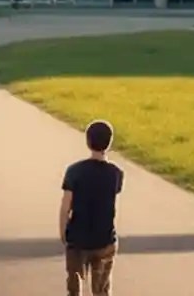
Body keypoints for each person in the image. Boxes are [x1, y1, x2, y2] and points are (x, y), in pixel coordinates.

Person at [60, 120, 123, 296]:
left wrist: (63, 232)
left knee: (74, 286)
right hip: (105, 238)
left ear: (87, 141)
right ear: (109, 143)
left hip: (77, 239)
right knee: (101, 289)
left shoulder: (74, 171)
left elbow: (66, 206)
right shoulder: (116, 173)